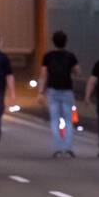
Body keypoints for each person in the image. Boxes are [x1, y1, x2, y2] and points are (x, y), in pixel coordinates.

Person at [38, 30, 79, 158]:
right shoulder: (70, 56)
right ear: (66, 42)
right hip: (67, 90)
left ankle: (58, 148)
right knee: (68, 120)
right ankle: (67, 147)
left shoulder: (48, 56)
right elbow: (78, 72)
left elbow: (43, 75)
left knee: (55, 120)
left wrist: (40, 92)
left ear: (53, 42)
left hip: (53, 90)